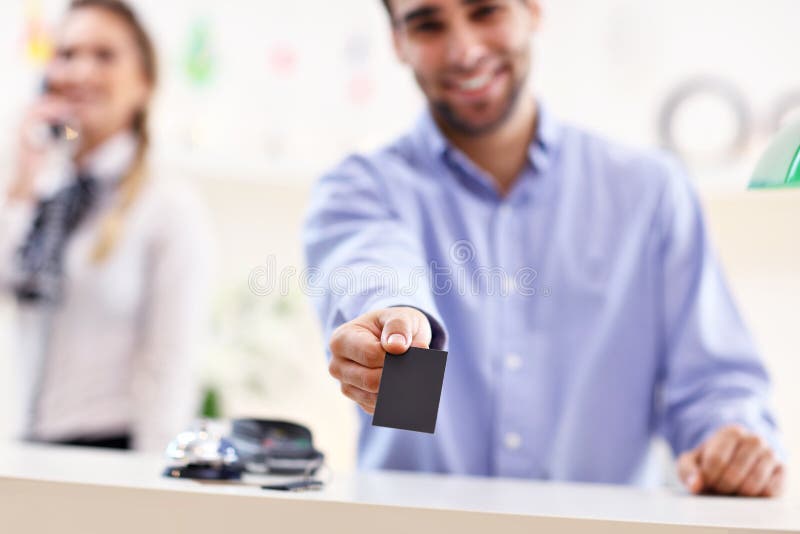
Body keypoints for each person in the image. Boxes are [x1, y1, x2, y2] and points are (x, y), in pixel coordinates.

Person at [304, 0, 785, 496]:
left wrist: (732, 445)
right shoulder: (358, 187)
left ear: (532, 10)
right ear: (398, 43)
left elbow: (714, 385)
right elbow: (375, 268)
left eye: (485, 11)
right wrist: (396, 324)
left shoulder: (651, 193)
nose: (464, 51)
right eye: (428, 24)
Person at [0, 0, 211, 451]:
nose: (80, 72)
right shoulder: (45, 196)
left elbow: (170, 366)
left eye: (104, 55)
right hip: (29, 447)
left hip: (114, 453)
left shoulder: (168, 206)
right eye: (67, 54)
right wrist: (22, 178)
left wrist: (154, 490)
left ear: (144, 83)